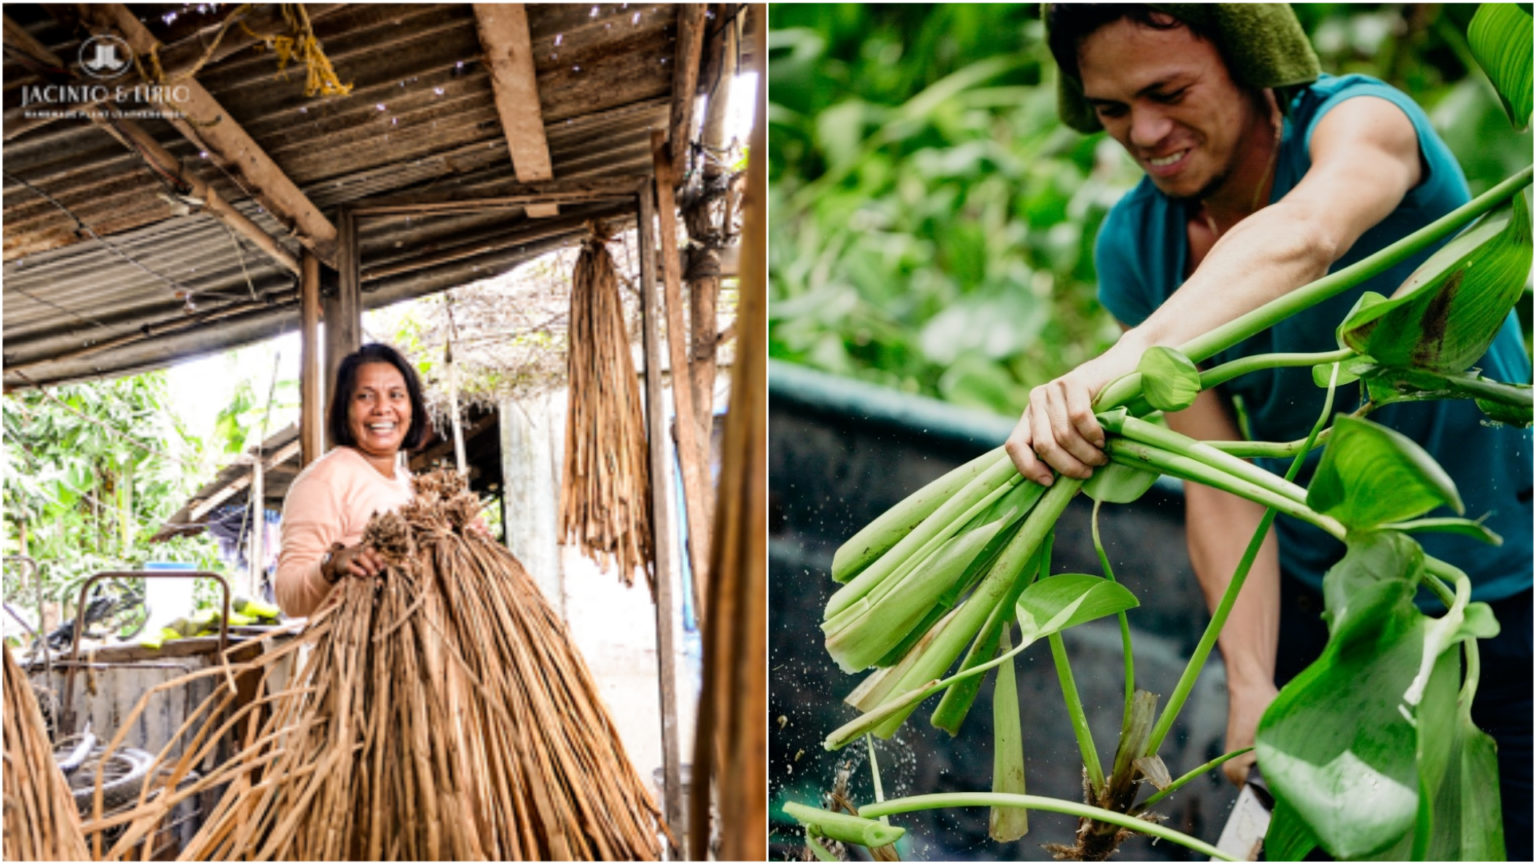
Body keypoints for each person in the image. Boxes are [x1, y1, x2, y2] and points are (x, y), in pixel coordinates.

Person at [1005, 4, 1532, 857]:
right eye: (1110, 109)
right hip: (1323, 609)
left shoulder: (1365, 123)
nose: (1143, 130)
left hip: (1495, 594)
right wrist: (1252, 684)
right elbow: (1214, 476)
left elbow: (1305, 235)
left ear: (1250, 62)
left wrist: (1121, 362)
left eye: (1168, 91)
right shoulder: (1137, 247)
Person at [275, 343, 430, 618]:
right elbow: (289, 597)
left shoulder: (409, 483)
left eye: (396, 395)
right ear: (344, 409)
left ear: (412, 407)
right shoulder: (325, 480)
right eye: (365, 396)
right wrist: (332, 565)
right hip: (359, 655)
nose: (383, 408)